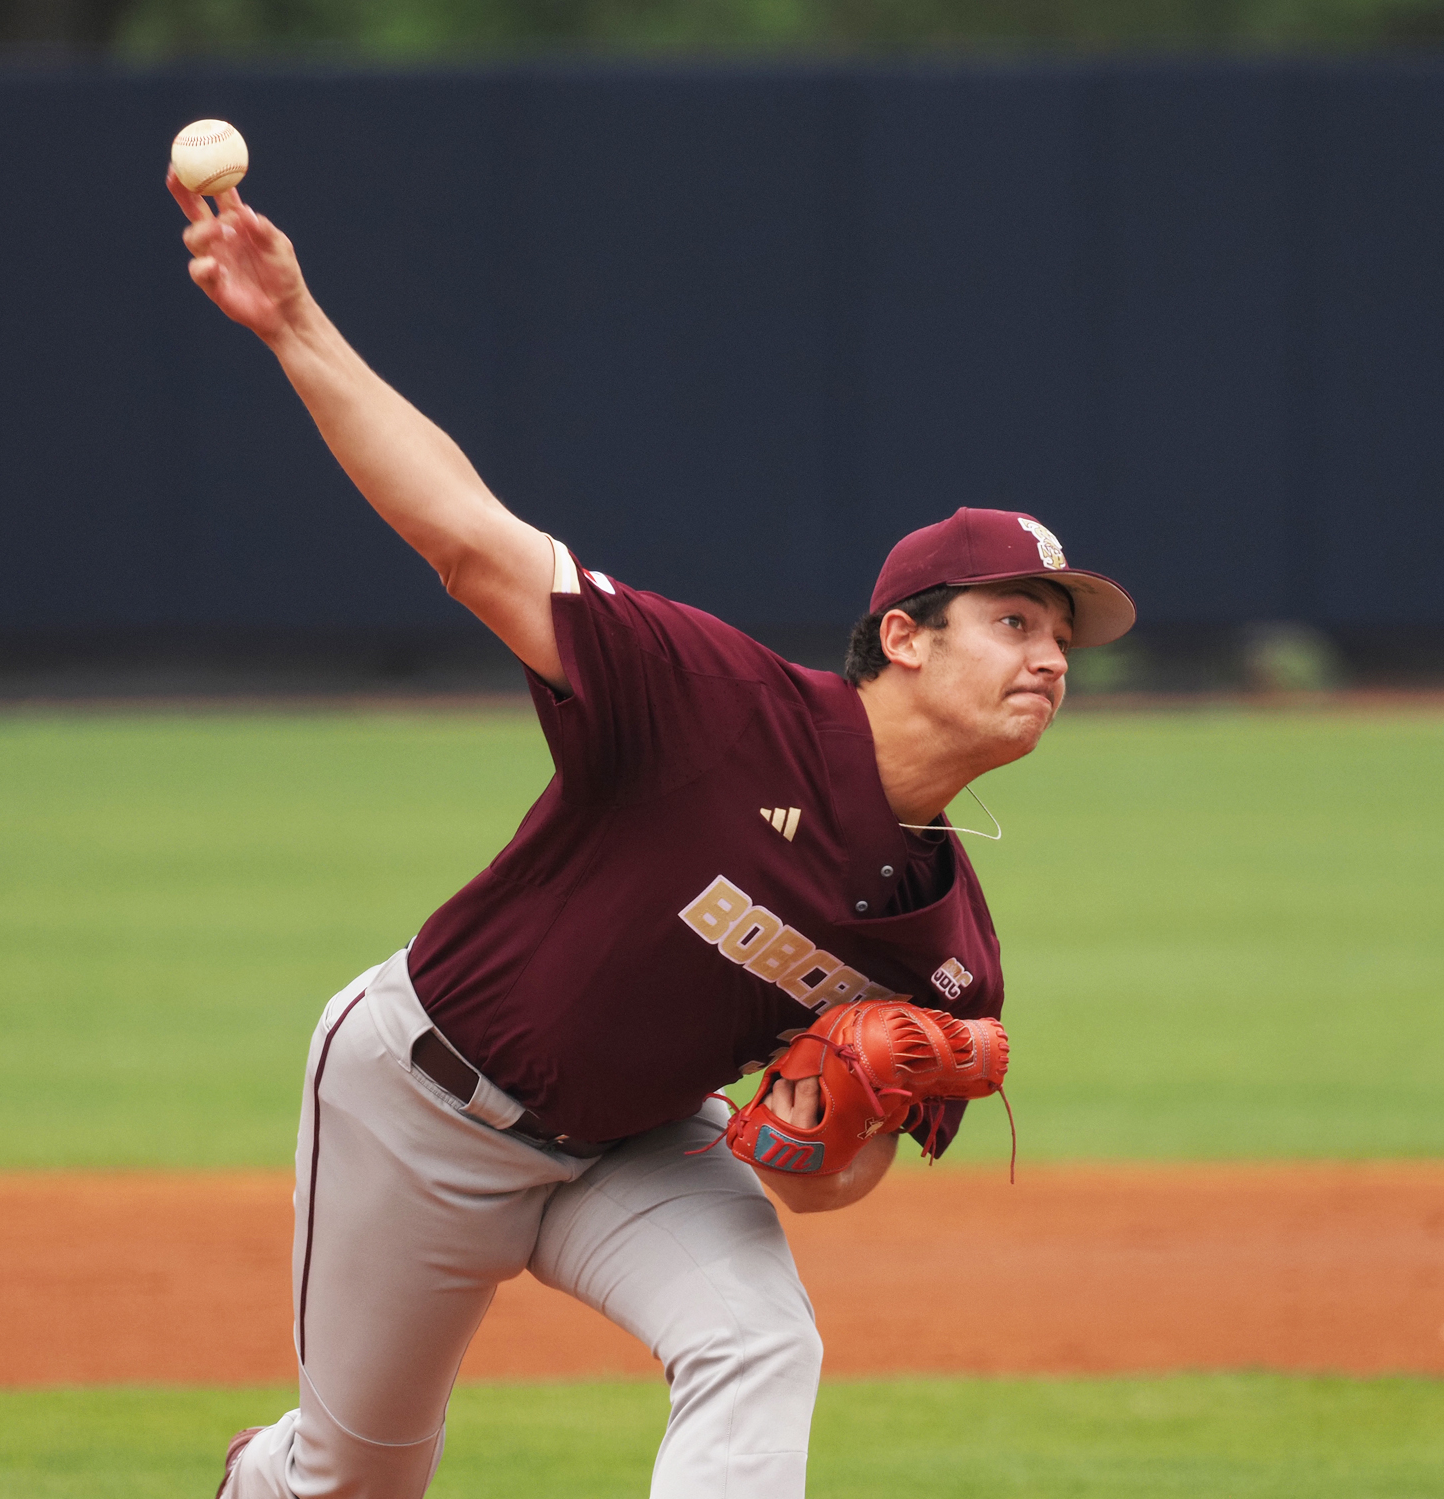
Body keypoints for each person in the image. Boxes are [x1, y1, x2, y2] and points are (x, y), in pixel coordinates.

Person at [167, 168, 1135, 1499]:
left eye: (1062, 640)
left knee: (761, 1343)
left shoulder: (952, 948)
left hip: (637, 1146)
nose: (1049, 659)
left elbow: (819, 1189)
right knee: (356, 1479)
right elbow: (468, 540)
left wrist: (832, 1119)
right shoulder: (710, 702)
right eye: (1015, 624)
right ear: (902, 640)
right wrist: (295, 327)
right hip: (422, 1104)